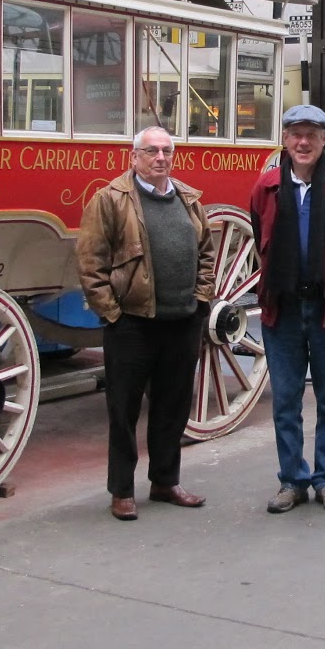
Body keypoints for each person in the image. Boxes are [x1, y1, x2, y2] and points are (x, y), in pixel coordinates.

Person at [76, 125, 216, 521]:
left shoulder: (188, 199)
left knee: (173, 407)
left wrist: (200, 299)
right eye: (151, 151)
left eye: (166, 151)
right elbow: (90, 262)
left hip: (182, 321)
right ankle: (122, 490)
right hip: (132, 325)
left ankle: (165, 482)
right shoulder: (111, 199)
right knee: (123, 411)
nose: (160, 158)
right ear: (133, 156)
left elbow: (206, 252)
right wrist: (112, 314)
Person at [249, 104, 325, 514]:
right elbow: (259, 235)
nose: (303, 142)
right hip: (282, 308)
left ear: (324, 140)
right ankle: (292, 480)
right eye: (296, 134)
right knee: (285, 401)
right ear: (285, 139)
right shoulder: (266, 187)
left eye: (312, 135)